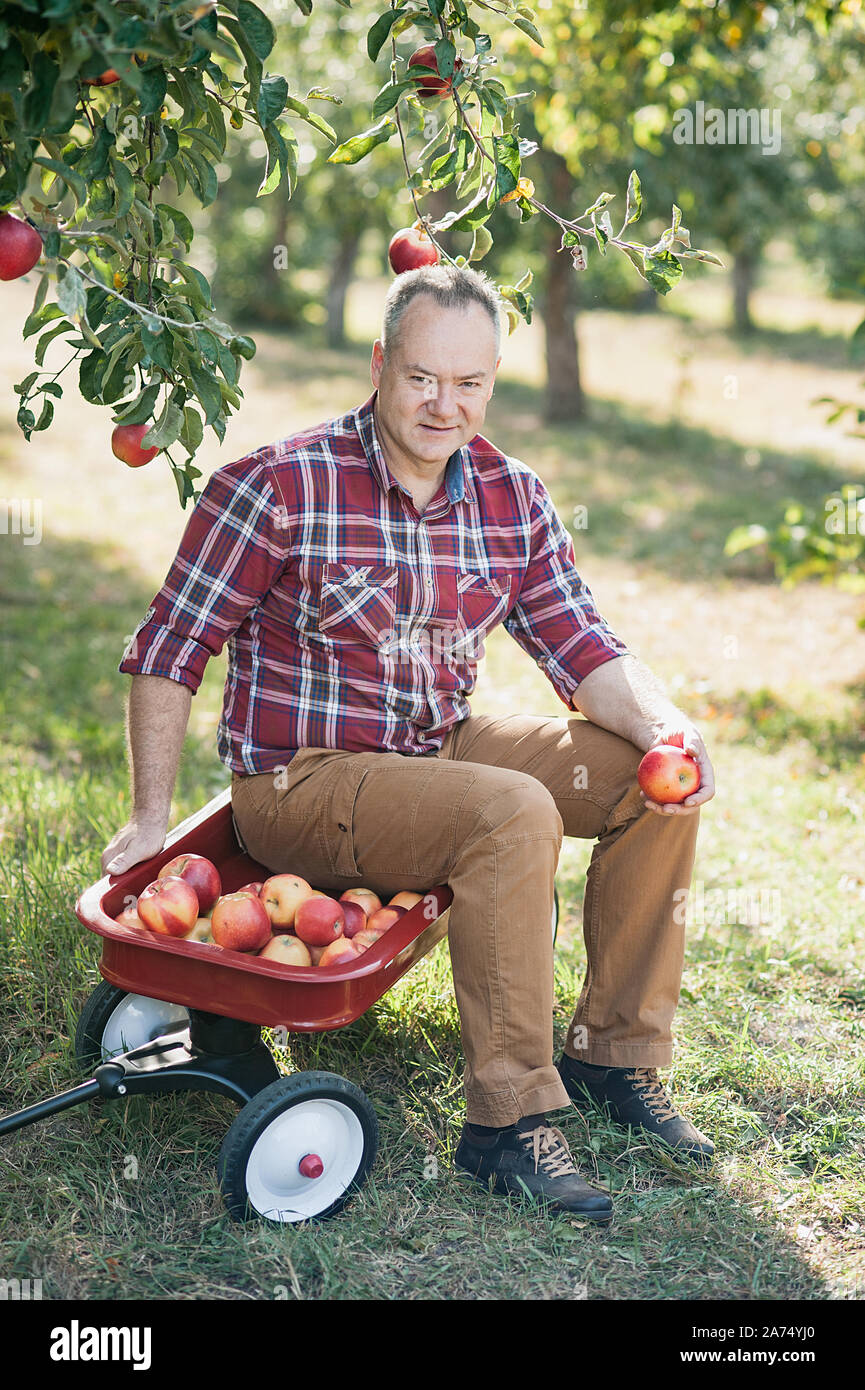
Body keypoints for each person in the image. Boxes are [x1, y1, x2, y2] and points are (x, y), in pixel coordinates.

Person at [102, 263, 715, 1221]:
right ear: (380, 363)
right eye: (423, 377)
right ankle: (506, 1122)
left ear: (493, 381)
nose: (444, 404)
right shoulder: (277, 485)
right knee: (510, 809)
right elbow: (169, 647)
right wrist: (149, 821)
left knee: (651, 782)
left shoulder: (510, 495)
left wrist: (663, 727)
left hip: (432, 749)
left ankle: (612, 1057)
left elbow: (580, 642)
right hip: (305, 781)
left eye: (469, 384)